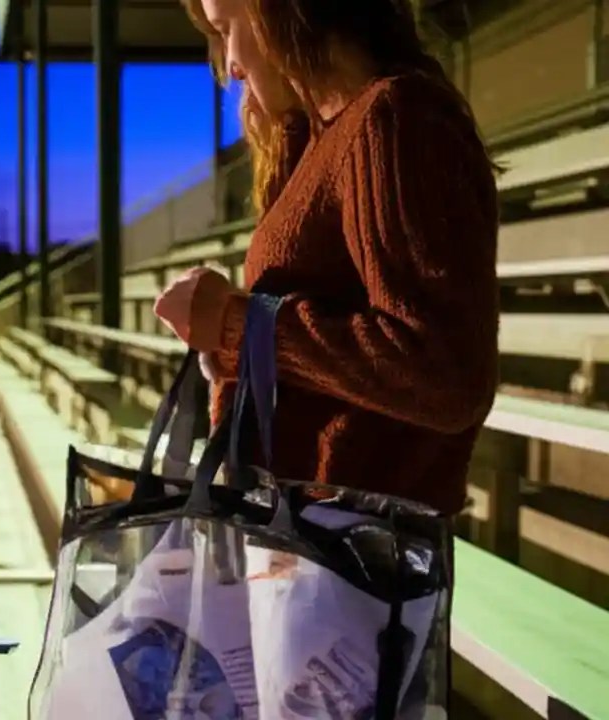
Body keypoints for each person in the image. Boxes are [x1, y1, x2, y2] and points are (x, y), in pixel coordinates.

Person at [155, 0, 501, 516]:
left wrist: (233, 324)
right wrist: (228, 335)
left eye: (229, 28)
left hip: (348, 551)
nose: (229, 65)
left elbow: (444, 376)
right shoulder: (320, 140)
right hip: (302, 534)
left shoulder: (392, 117)